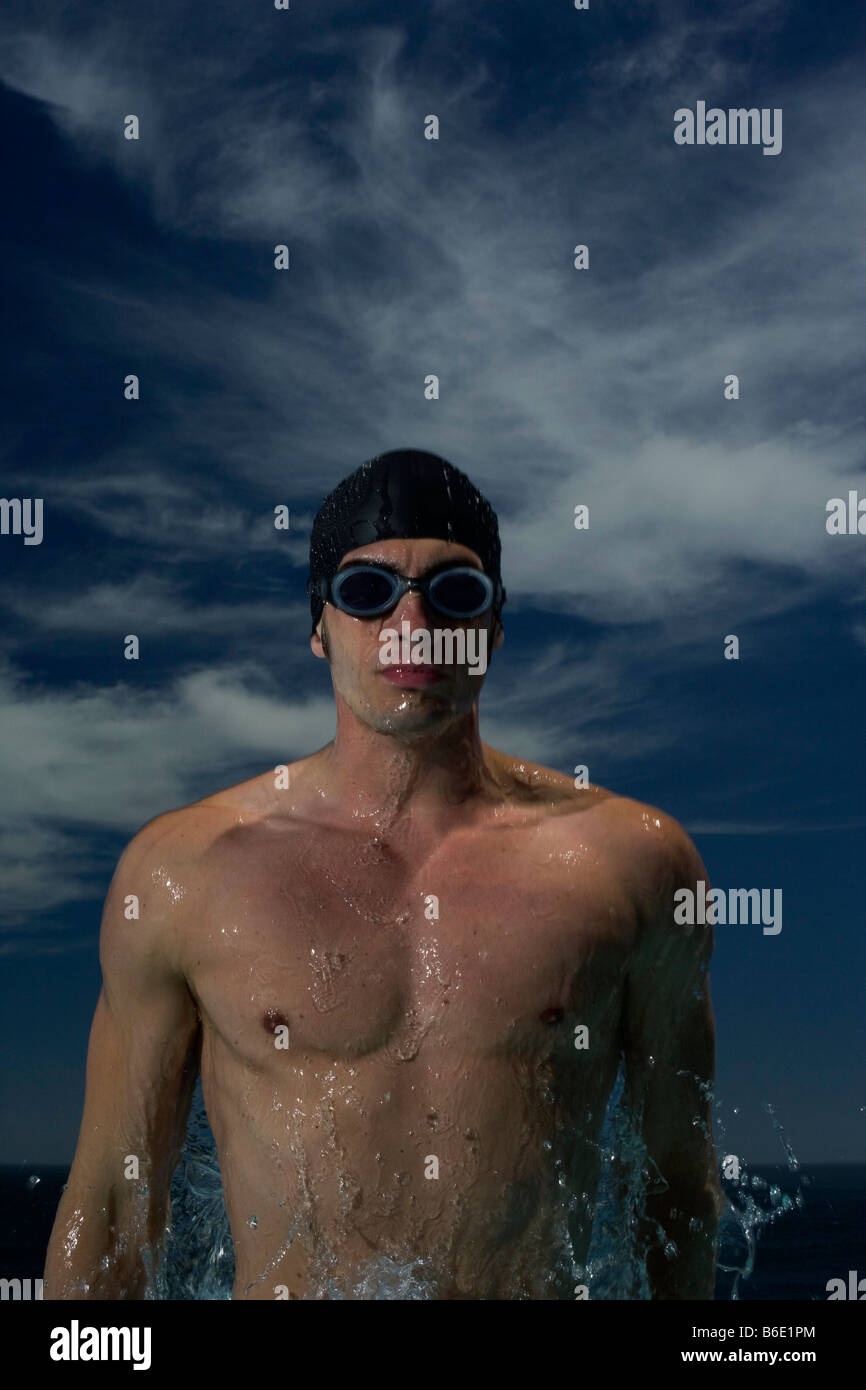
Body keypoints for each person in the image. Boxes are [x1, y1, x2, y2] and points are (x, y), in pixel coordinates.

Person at [44, 448, 723, 1300]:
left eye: (455, 593)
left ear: (496, 624)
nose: (413, 624)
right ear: (319, 623)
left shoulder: (633, 865)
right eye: (368, 592)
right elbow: (111, 1203)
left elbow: (677, 1186)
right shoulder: (182, 873)